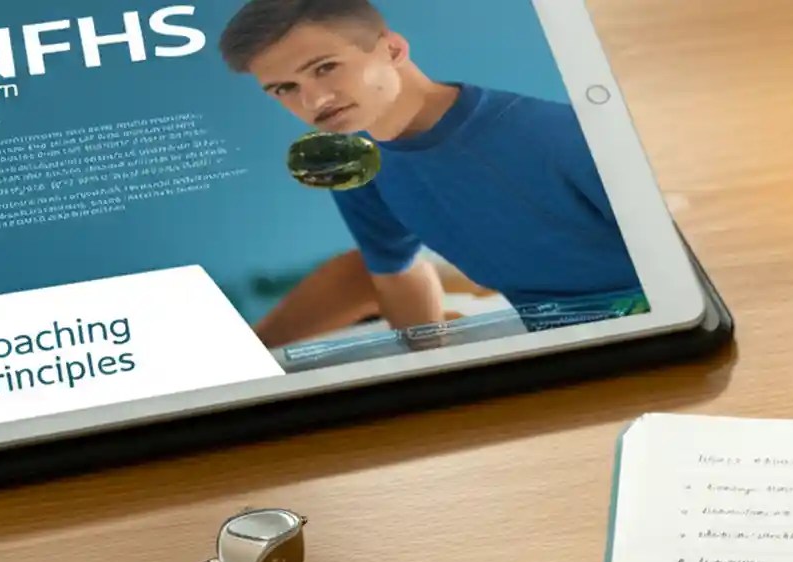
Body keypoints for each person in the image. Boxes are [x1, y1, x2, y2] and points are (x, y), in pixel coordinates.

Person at [219, 0, 645, 346]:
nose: (313, 100)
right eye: (284, 89)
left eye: (325, 67)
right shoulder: (355, 164)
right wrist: (429, 367)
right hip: (555, 341)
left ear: (392, 49)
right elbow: (394, 272)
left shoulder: (557, 134)